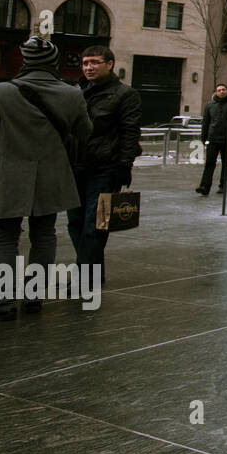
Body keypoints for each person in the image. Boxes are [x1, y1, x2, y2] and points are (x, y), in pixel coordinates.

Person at [0, 38, 92, 319]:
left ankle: (3, 302)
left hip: (7, 173)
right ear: (54, 62)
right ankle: (33, 297)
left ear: (24, 60)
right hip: (51, 173)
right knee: (44, 234)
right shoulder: (71, 93)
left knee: (4, 237)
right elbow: (86, 133)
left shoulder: (2, 92)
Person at [69, 45, 140, 283]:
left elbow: (130, 132)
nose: (88, 67)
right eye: (85, 62)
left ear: (109, 64)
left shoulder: (125, 94)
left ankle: (84, 276)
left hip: (105, 169)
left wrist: (124, 165)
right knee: (76, 222)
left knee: (94, 225)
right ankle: (92, 274)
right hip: (77, 166)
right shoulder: (77, 91)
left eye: (94, 62)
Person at [195, 84, 227, 196]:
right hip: (213, 139)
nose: (221, 92)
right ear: (216, 92)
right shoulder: (210, 105)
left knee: (225, 164)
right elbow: (206, 123)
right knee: (209, 163)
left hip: (226, 139)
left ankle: (223, 186)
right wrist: (203, 138)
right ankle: (204, 186)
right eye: (219, 90)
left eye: (223, 90)